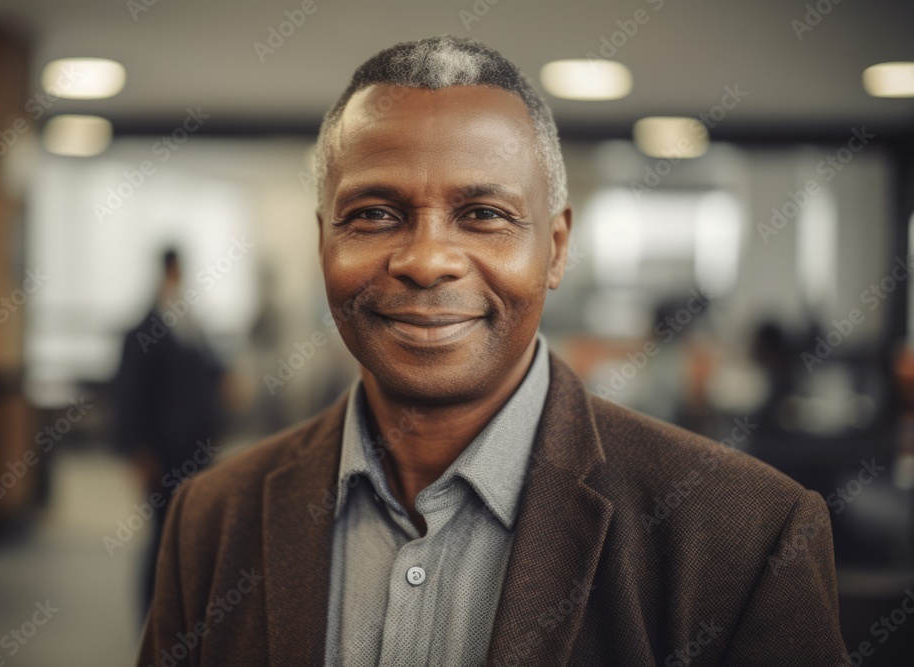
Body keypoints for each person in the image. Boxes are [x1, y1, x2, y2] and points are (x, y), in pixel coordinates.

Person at [136, 37, 846, 665]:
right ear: (325, 241)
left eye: (484, 215)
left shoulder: (745, 537)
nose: (426, 260)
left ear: (556, 248)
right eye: (375, 214)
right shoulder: (213, 516)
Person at [113, 247, 225, 618]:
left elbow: (208, 372)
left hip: (196, 448)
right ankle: (152, 618)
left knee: (192, 531)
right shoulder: (144, 329)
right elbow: (128, 394)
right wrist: (137, 451)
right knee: (162, 534)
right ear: (167, 272)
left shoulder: (189, 322)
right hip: (162, 452)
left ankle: (183, 614)